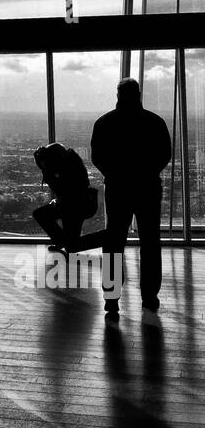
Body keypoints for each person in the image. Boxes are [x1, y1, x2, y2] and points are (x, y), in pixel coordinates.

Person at [90, 78, 172, 317]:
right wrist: (147, 173)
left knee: (114, 242)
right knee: (150, 242)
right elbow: (164, 154)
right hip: (148, 188)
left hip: (118, 189)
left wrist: (114, 174)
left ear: (118, 96)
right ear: (138, 95)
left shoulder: (104, 123)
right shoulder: (155, 122)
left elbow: (98, 157)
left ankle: (111, 297)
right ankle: (149, 295)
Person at [32, 142, 97, 252]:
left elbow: (63, 191)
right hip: (78, 206)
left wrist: (46, 172)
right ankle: (65, 241)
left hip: (74, 208)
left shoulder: (68, 169)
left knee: (40, 214)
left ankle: (64, 241)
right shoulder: (72, 163)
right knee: (71, 247)